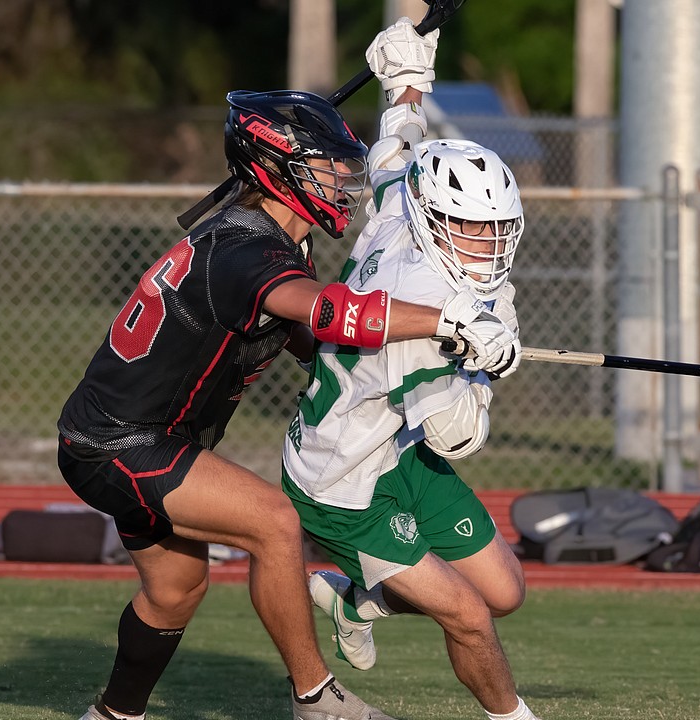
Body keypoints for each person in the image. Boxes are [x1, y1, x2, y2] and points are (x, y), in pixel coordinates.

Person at [56, 58, 521, 720]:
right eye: (325, 166)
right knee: (274, 524)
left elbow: (309, 337)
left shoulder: (270, 243)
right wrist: (447, 319)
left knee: (176, 590)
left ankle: (111, 716)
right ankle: (315, 697)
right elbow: (327, 313)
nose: (341, 179)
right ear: (278, 171)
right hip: (119, 443)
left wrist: (395, 361)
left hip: (150, 435)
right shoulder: (247, 251)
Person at [280, 18, 542, 720]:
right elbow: (458, 435)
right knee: (469, 616)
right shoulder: (418, 315)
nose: (486, 244)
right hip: (342, 483)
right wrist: (486, 366)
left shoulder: (404, 204)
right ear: (436, 220)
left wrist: (408, 81)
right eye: (471, 228)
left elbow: (396, 146)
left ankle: (356, 599)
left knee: (506, 591)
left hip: (392, 445)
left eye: (496, 229)